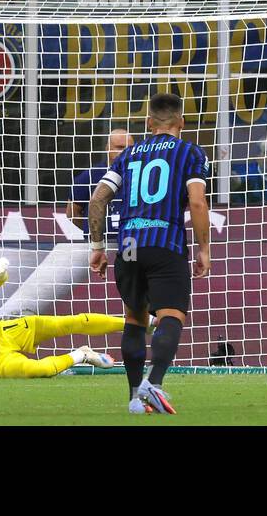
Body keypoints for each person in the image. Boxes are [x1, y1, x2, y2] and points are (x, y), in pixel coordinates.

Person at [88, 91, 210, 414]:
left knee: (135, 318)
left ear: (148, 123)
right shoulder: (190, 153)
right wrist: (204, 248)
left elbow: (97, 200)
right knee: (171, 316)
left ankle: (133, 399)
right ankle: (153, 384)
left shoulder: (128, 154)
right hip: (165, 243)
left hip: (128, 246)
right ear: (181, 122)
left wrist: (98, 247)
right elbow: (197, 202)